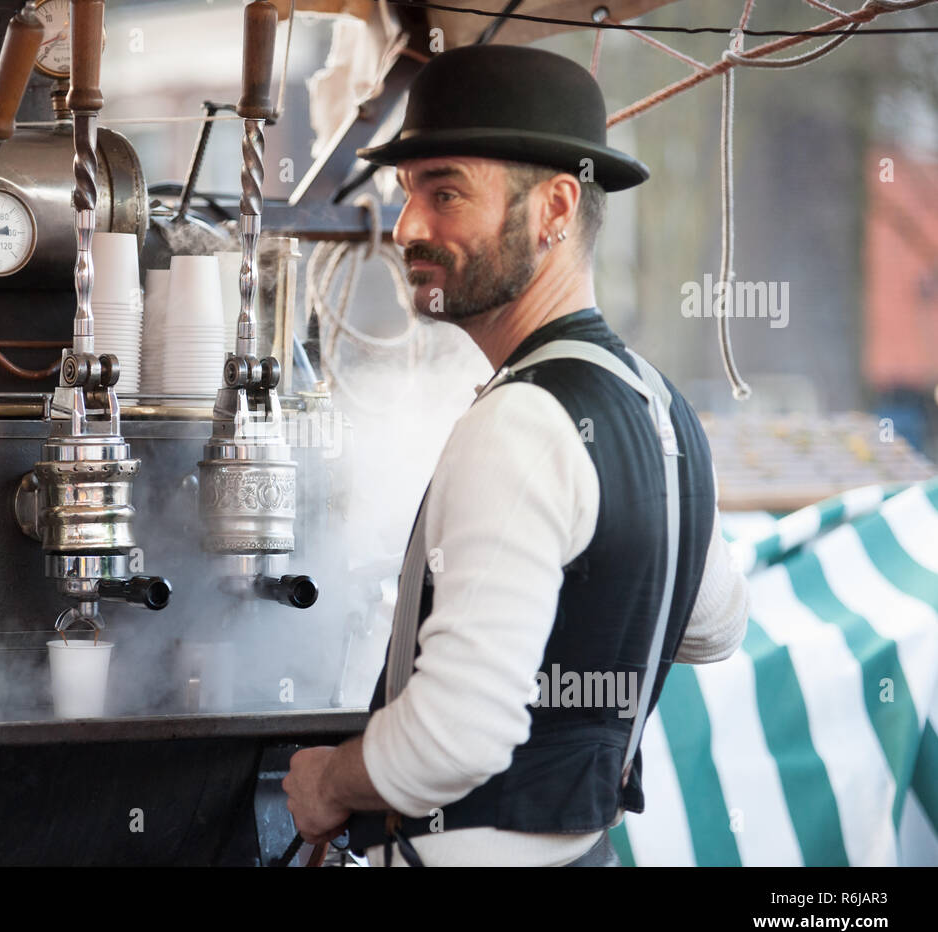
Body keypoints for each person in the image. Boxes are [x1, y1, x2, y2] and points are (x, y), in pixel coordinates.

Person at [282, 44, 750, 866]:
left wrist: (327, 782)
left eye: (446, 191)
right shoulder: (660, 407)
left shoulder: (520, 424)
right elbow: (713, 624)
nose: (406, 227)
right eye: (407, 193)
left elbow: (451, 739)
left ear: (556, 208)